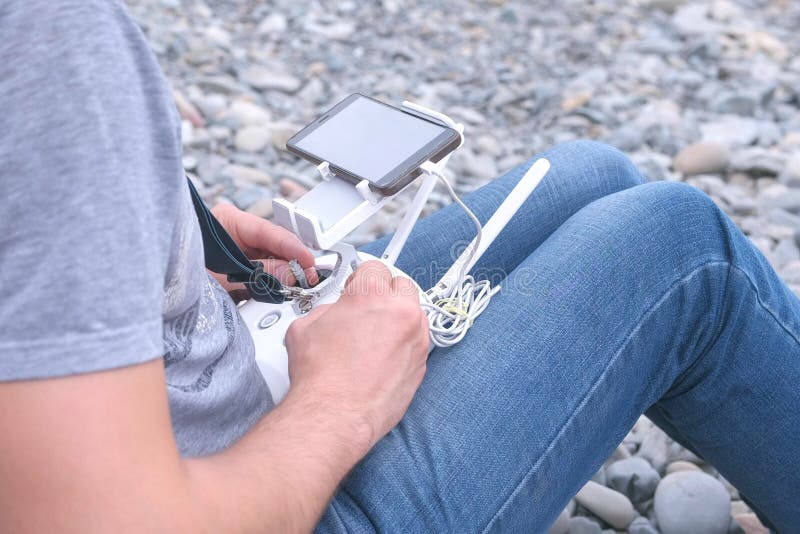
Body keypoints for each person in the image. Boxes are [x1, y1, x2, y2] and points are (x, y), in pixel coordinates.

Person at [1, 1, 797, 532]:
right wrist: (341, 405)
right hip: (282, 493)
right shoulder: (47, 38)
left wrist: (156, 242)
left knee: (589, 173)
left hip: (218, 384)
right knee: (682, 250)